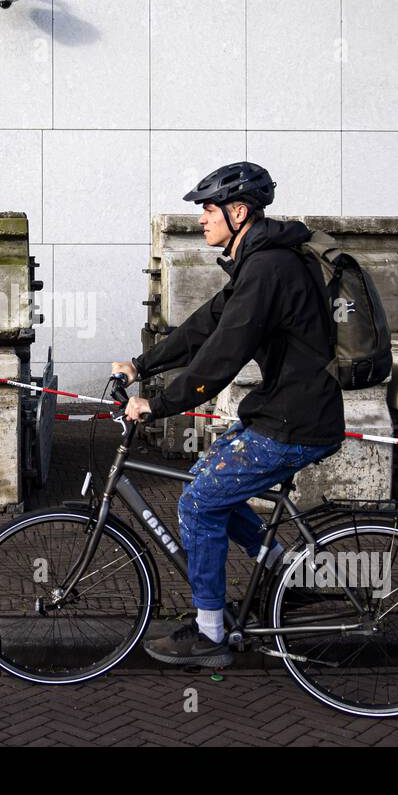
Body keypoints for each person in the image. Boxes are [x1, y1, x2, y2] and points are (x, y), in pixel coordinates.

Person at [112, 161, 345, 667]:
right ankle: (292, 578)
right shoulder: (259, 260)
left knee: (198, 505)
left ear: (239, 212)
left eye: (209, 208)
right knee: (207, 482)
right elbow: (206, 325)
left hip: (295, 423)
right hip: (285, 412)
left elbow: (222, 356)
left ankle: (210, 633)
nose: (202, 218)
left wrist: (158, 403)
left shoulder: (269, 267)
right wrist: (141, 365)